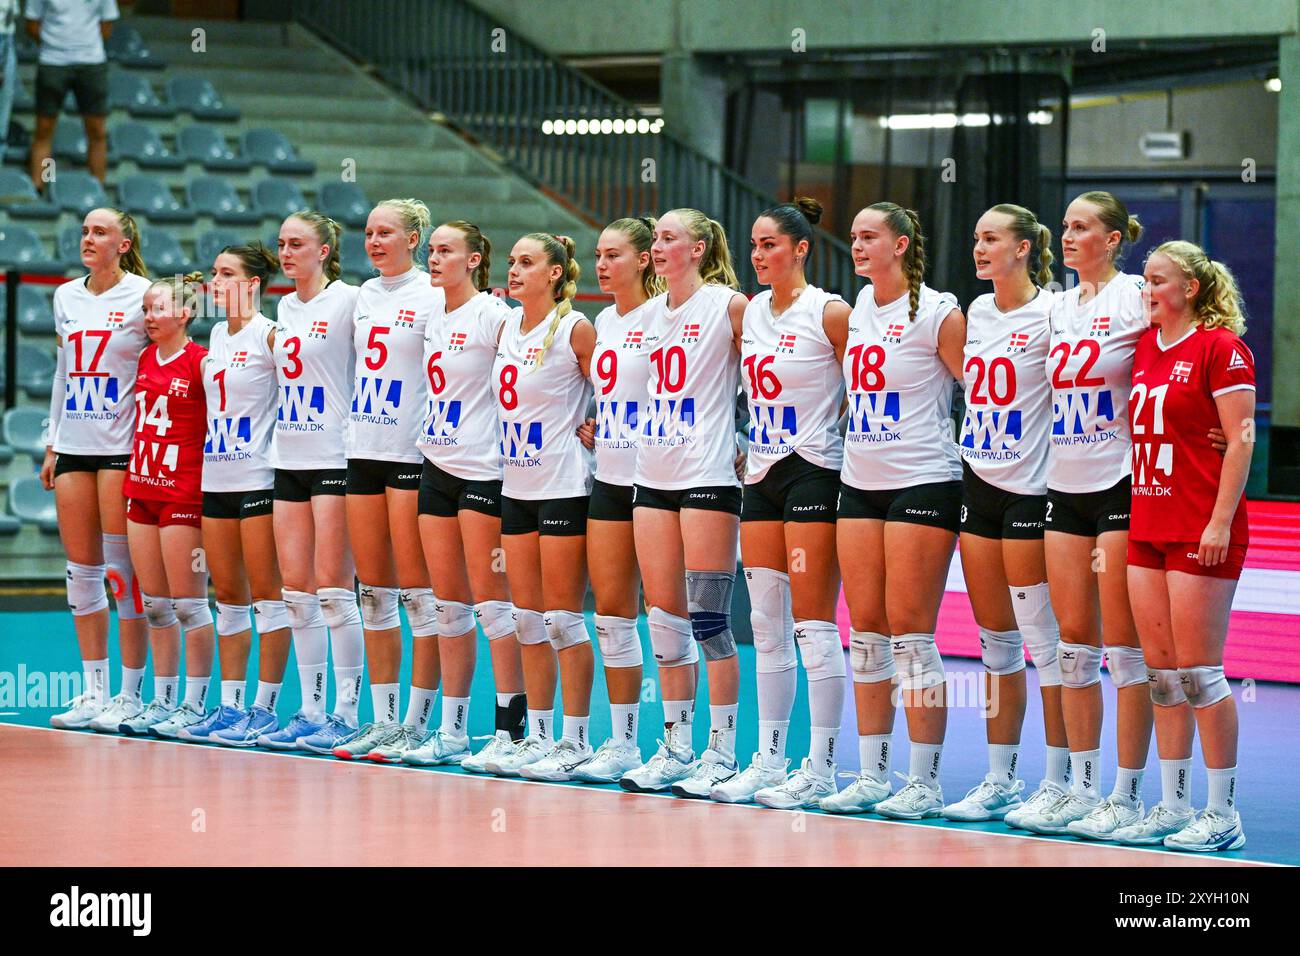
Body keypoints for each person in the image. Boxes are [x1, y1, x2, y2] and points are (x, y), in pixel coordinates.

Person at [817, 203, 966, 818]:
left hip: (923, 479)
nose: (856, 245)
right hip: (860, 481)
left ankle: (924, 781)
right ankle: (874, 772)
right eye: (852, 237)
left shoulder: (939, 311)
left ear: (901, 245)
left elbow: (981, 393)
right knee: (867, 635)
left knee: (910, 633)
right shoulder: (853, 315)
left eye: (869, 236)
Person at [1114, 241, 1254, 852]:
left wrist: (1220, 522)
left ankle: (1222, 812)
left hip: (1201, 526)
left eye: (1157, 280)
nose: (1147, 289)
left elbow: (1241, 439)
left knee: (1199, 672)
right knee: (1162, 673)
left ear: (1190, 288)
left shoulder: (1221, 348)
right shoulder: (1147, 346)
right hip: (1148, 521)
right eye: (1145, 279)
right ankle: (1173, 805)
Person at [711, 199, 851, 808]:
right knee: (766, 626)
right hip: (761, 473)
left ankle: (820, 769)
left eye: (771, 245)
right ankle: (770, 760)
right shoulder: (750, 314)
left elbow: (865, 386)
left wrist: (832, 434)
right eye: (753, 245)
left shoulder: (830, 312)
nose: (759, 255)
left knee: (815, 627)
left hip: (814, 472)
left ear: (801, 249)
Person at [1031, 191, 1154, 837]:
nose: (1069, 235)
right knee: (1073, 647)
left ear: (1112, 238)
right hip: (1064, 485)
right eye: (1066, 226)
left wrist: (1218, 426)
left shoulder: (1135, 296)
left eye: (1082, 227)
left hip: (1121, 485)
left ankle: (1128, 797)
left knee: (1126, 650)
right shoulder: (1056, 307)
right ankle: (1081, 789)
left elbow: (1199, 342)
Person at [941, 204, 1065, 826]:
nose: (979, 248)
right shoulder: (976, 312)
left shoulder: (1054, 312)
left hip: (1031, 490)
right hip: (977, 483)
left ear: (1022, 248)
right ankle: (1000, 779)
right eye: (975, 238)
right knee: (996, 645)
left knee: (1046, 643)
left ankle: (1061, 780)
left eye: (991, 239)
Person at [619, 208, 748, 796]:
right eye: (656, 237)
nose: (659, 245)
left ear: (697, 248)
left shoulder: (728, 306)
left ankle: (722, 754)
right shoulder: (644, 316)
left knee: (710, 620)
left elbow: (775, 373)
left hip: (707, 476)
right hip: (653, 475)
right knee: (664, 623)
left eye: (669, 237)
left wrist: (756, 437)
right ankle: (675, 749)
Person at [403, 220, 528, 769]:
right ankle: (451, 731)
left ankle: (511, 729)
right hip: (435, 465)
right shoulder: (432, 312)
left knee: (493, 607)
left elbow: (534, 374)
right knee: (447, 607)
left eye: (445, 251)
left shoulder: (496, 316)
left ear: (475, 260)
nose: (434, 259)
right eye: (431, 250)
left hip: (484, 472)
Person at [482, 233, 598, 781]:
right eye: (512, 261)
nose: (516, 270)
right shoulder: (506, 325)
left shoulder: (576, 328)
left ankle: (575, 741)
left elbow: (617, 391)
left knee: (561, 620)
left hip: (562, 486)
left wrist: (601, 426)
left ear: (555, 273)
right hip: (515, 485)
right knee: (526, 619)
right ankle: (540, 737)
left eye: (527, 262)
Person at [331, 199, 442, 761]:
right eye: (368, 232)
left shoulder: (433, 295)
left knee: (419, 594)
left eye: (385, 233)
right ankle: (384, 719)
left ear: (414, 237)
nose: (373, 241)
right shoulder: (360, 296)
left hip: (410, 454)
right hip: (363, 451)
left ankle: (421, 725)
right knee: (372, 594)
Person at [259, 212, 366, 752]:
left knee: (331, 590)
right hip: (289, 455)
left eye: (297, 243)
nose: (287, 252)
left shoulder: (348, 301)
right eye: (281, 244)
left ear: (324, 251)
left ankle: (346, 713)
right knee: (296, 592)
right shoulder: (284, 306)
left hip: (333, 456)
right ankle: (310, 709)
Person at [177, 244, 292, 745]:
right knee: (228, 597)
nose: (214, 282)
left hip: (259, 478)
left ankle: (265, 708)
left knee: (269, 596)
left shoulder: (271, 336)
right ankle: (229, 705)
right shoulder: (217, 334)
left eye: (226, 274)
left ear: (252, 282)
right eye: (214, 273)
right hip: (216, 477)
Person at [42, 208, 151, 732]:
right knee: (80, 575)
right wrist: (50, 441)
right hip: (73, 446)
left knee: (119, 575)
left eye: (100, 232)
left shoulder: (145, 295)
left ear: (124, 244)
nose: (88, 238)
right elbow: (63, 373)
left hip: (121, 448)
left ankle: (130, 696)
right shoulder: (66, 295)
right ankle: (93, 691)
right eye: (85, 231)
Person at [569, 217, 661, 783]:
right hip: (609, 476)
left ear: (646, 259)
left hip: (662, 480)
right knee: (611, 616)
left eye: (615, 255)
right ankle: (623, 742)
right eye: (598, 255)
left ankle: (690, 747)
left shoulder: (667, 316)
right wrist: (596, 425)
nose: (602, 266)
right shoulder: (603, 320)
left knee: (673, 619)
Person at [116, 273, 216, 737]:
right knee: (154, 605)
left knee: (189, 606)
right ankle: (162, 700)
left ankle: (194, 706)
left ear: (183, 313)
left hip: (182, 493)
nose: (148, 317)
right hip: (141, 489)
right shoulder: (142, 358)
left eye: (158, 309)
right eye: (146, 309)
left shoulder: (200, 362)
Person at [26, 0, 118, 189]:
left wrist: (83, 47)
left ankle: (96, 190)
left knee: (97, 130)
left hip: (91, 63)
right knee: (44, 129)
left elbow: (106, 25)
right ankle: (42, 186)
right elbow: (32, 24)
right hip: (52, 61)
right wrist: (56, 46)